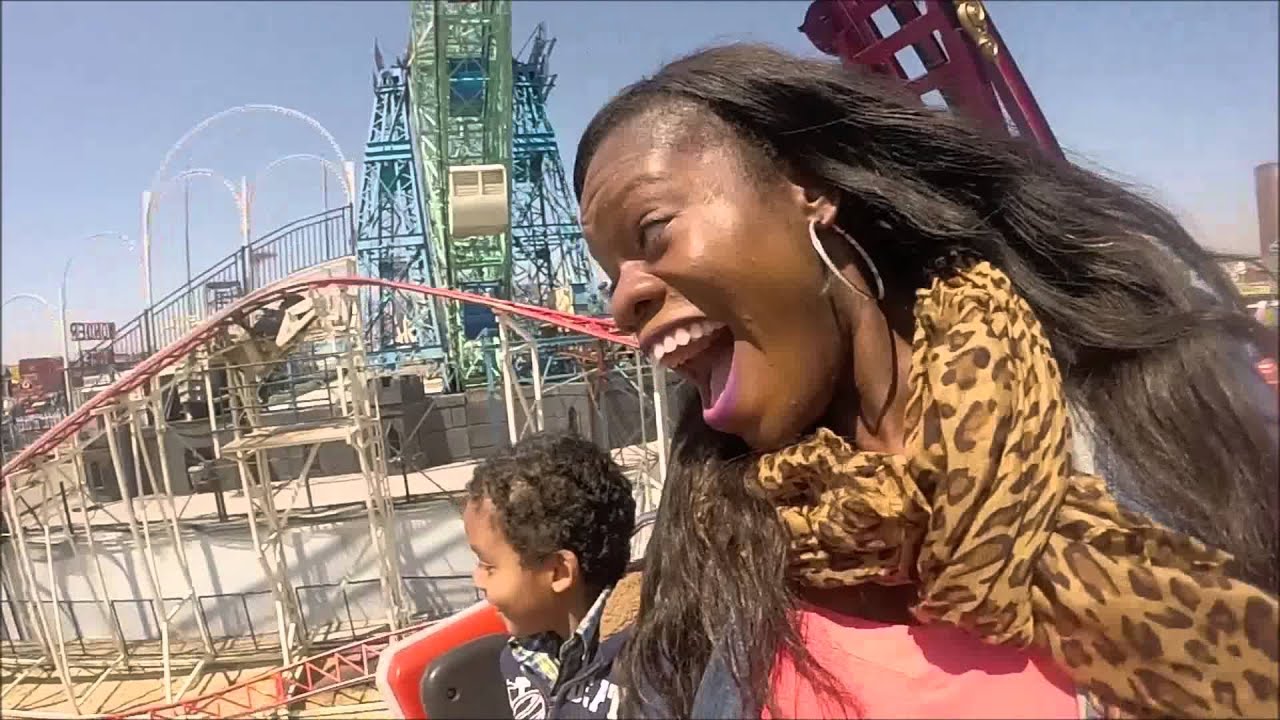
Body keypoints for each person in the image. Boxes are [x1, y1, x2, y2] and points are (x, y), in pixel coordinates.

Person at [573, 43, 1279, 719]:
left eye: (654, 231)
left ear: (808, 193)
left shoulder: (1160, 408)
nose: (621, 301)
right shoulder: (709, 552)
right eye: (610, 275)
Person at [463, 433, 636, 719]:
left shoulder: (642, 673)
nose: (477, 580)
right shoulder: (518, 662)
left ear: (558, 572)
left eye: (488, 566)